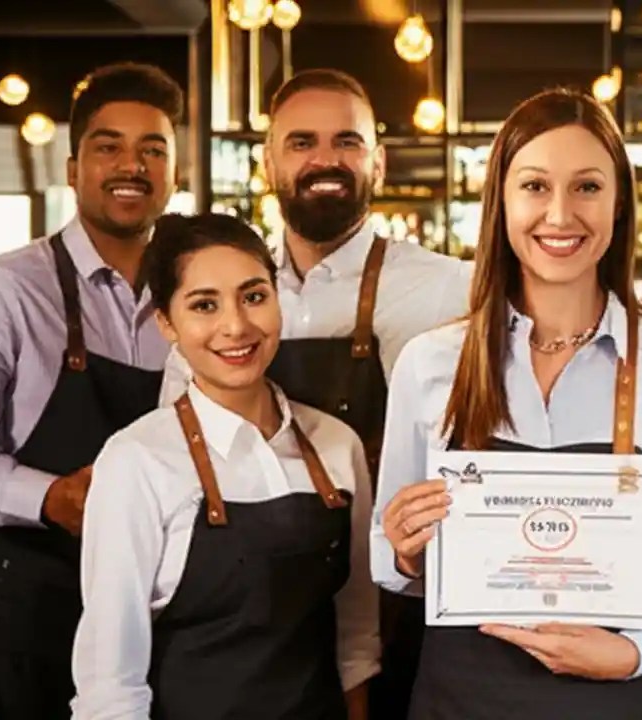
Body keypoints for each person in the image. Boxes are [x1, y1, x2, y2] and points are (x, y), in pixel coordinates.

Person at [371, 88, 642, 720]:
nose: (560, 214)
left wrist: (637, 653)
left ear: (620, 202)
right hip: (463, 699)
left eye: (588, 187)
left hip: (621, 698)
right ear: (501, 202)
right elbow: (387, 558)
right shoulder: (429, 363)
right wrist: (406, 547)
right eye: (536, 186)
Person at [160, 68, 472, 719]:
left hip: (404, 603)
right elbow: (174, 460)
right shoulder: (221, 301)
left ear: (378, 161)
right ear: (269, 159)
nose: (324, 160)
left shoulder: (452, 290)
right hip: (256, 617)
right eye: (301, 142)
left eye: (347, 142)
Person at [0, 62, 182, 719]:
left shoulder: (197, 300)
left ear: (175, 174)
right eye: (109, 147)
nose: (133, 165)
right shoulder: (3, 290)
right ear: (73, 170)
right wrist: (51, 497)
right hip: (28, 601)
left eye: (153, 149)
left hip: (157, 611)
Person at [70, 213, 379, 718]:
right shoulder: (136, 461)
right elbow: (110, 680)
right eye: (204, 305)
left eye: (254, 296)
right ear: (166, 323)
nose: (236, 326)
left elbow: (357, 636)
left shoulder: (337, 446)